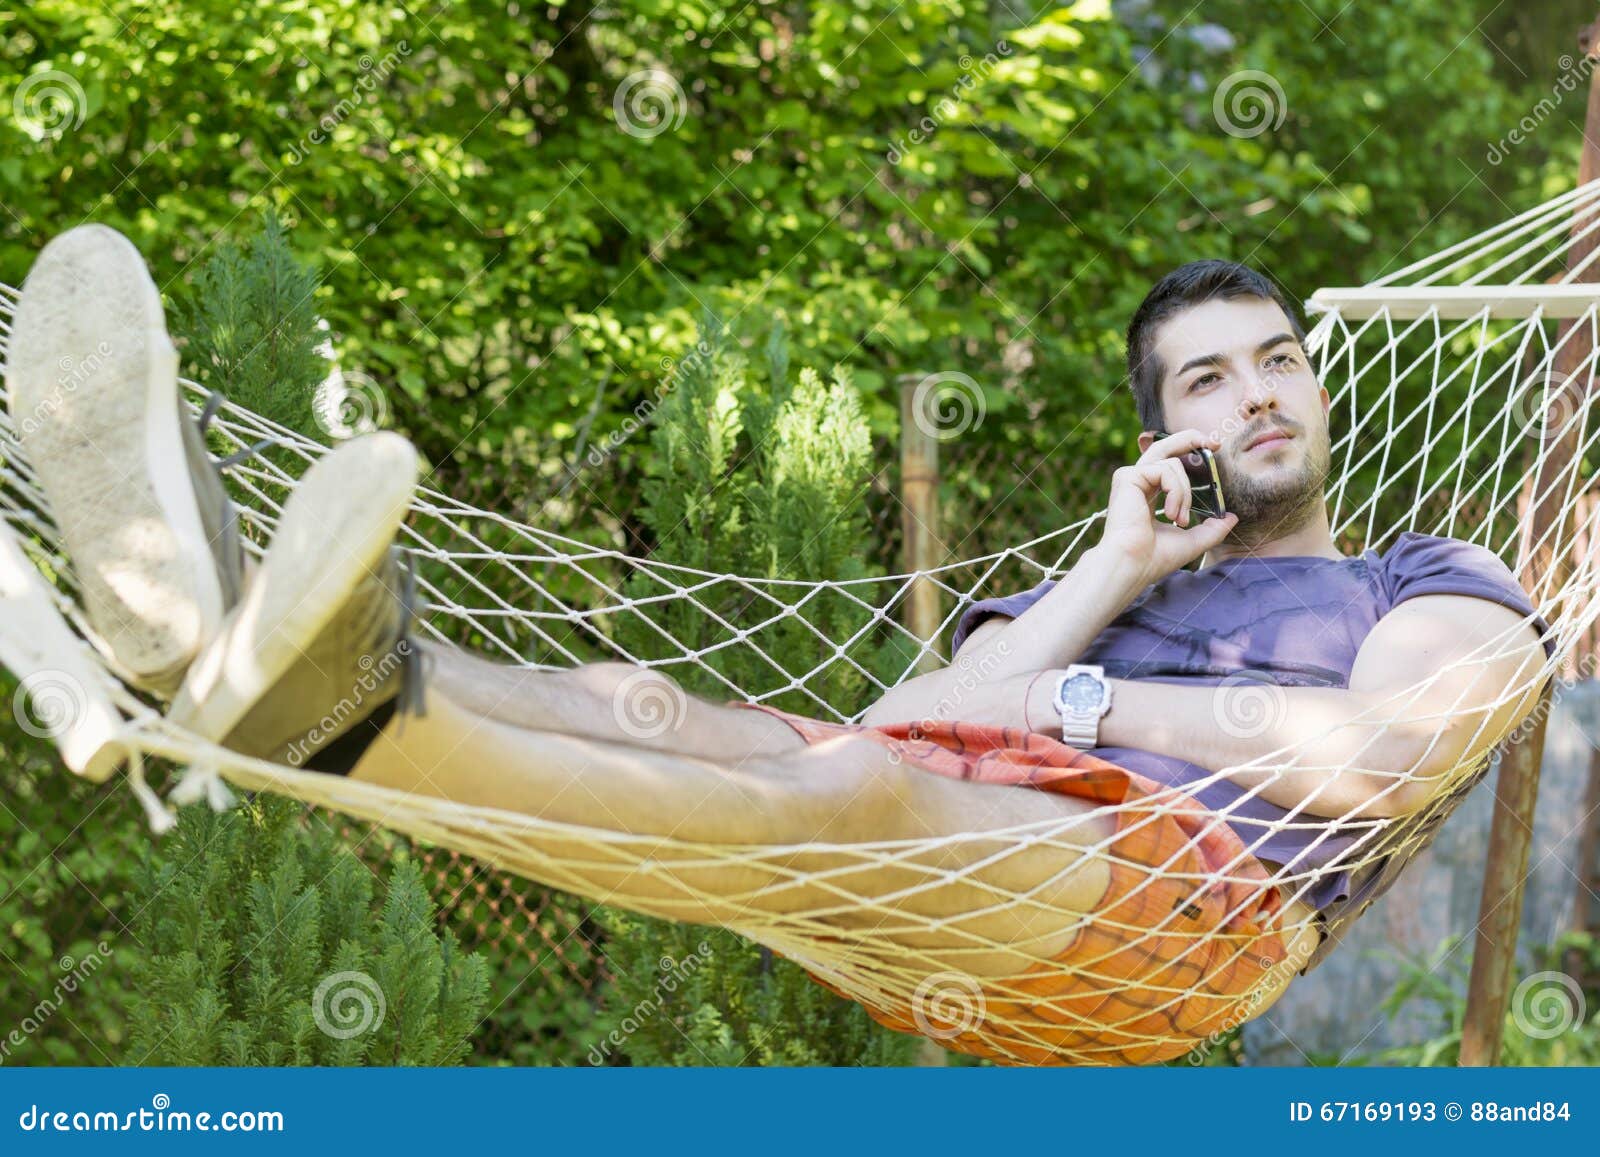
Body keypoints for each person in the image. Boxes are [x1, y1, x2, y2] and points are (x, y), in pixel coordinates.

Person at [2, 226, 1553, 1065]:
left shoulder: (1423, 573)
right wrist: (1113, 563)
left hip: (1194, 916)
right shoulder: (1122, 580)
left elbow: (1386, 754)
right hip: (998, 846)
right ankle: (222, 625)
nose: (1261, 391)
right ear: (1164, 431)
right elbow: (910, 713)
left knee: (853, 798)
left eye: (1281, 359)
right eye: (1210, 380)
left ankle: (326, 709)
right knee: (674, 714)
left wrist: (1078, 695)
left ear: (1320, 389)